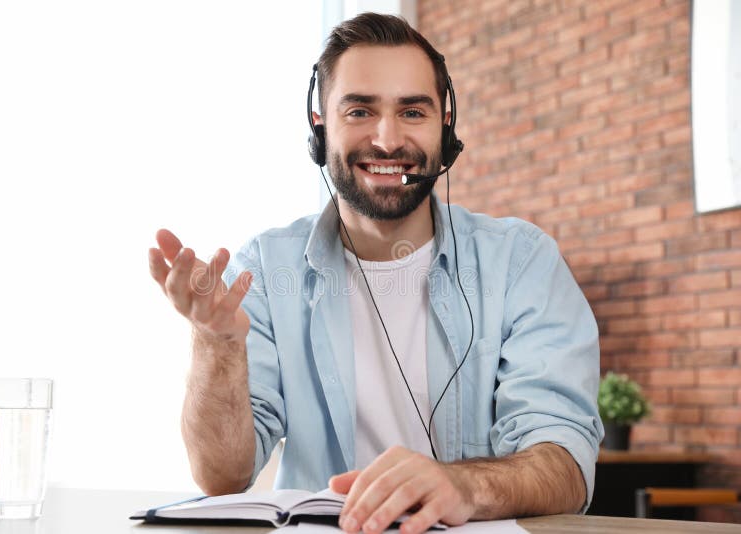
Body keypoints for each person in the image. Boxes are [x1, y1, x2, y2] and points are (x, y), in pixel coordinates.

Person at [148, 12, 603, 534]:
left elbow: (565, 465)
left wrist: (462, 487)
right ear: (320, 127)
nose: (387, 141)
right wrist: (215, 343)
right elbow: (222, 476)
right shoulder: (266, 270)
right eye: (361, 110)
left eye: (412, 111)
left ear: (445, 129)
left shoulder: (522, 263)